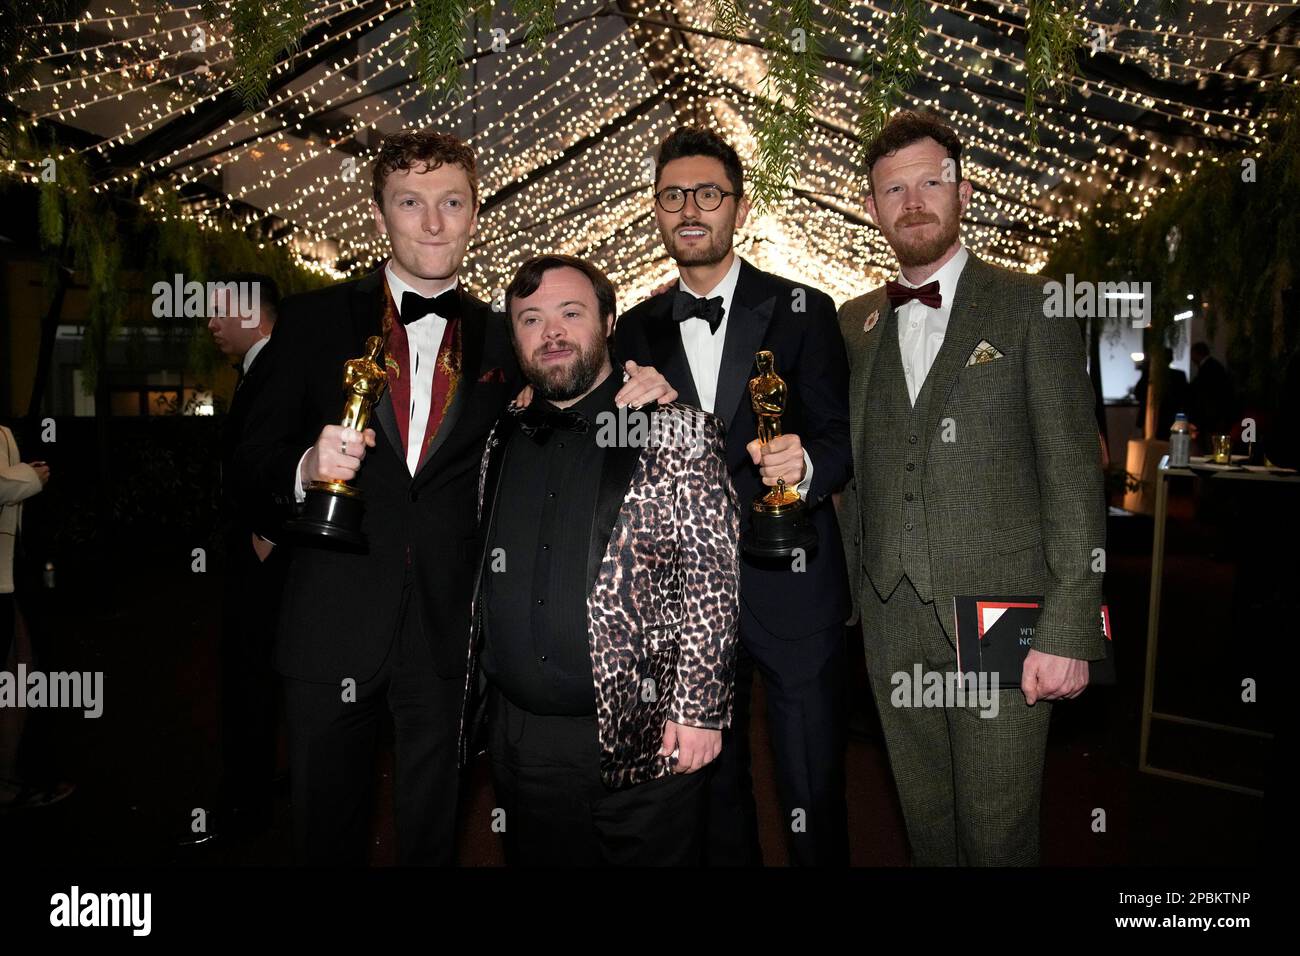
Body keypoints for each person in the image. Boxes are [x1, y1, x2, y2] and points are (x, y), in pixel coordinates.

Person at [235, 130, 676, 865]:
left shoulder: (510, 335)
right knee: (324, 835)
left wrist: (648, 388)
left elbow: (579, 384)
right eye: (412, 203)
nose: (433, 223)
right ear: (380, 216)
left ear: (475, 216)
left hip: (453, 637)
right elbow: (246, 463)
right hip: (329, 624)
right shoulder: (312, 321)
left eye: (451, 204)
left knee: (434, 836)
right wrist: (306, 465)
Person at [837, 110, 1107, 865]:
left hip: (1004, 616)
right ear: (872, 207)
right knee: (925, 824)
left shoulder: (1030, 307)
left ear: (963, 192)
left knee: (995, 832)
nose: (913, 200)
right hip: (890, 614)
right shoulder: (853, 324)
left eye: (931, 181)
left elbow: (1074, 480)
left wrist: (1069, 628)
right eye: (893, 189)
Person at [615, 127, 852, 866]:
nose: (690, 208)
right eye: (673, 195)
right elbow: (617, 470)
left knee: (812, 783)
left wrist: (804, 465)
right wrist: (619, 424)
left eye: (708, 193)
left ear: (738, 209)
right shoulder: (630, 328)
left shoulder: (806, 309)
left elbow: (844, 441)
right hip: (685, 598)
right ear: (656, 211)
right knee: (708, 788)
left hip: (792, 577)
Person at [458, 254, 739, 866]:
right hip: (520, 742)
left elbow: (713, 578)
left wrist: (699, 709)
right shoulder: (499, 437)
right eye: (530, 319)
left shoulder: (678, 430)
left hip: (646, 740)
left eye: (570, 312)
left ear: (609, 320)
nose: (551, 332)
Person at [184, 274, 284, 844]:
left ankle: (245, 810)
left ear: (254, 313)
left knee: (249, 679)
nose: (211, 324)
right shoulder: (260, 368)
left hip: (267, 557)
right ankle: (253, 797)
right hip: (258, 552)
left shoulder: (278, 367)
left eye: (220, 313)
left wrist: (267, 532)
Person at [0, 425, 71, 810]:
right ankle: (8, 780)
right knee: (17, 673)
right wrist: (30, 477)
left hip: (10, 575)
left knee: (19, 671)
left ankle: (11, 776)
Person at [1188, 341, 1236, 452]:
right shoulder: (1214, 366)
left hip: (1212, 418)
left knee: (1211, 447)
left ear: (1196, 353)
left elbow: (1206, 395)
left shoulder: (1208, 368)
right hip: (1213, 417)